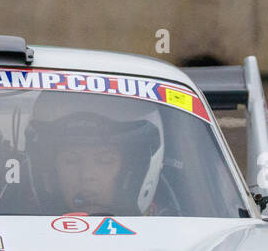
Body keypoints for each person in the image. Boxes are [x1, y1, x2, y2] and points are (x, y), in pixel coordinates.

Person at [20, 91, 165, 215]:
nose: (86, 175)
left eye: (105, 161)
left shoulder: (178, 231)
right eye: (71, 161)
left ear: (130, 170)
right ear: (51, 169)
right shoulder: (14, 223)